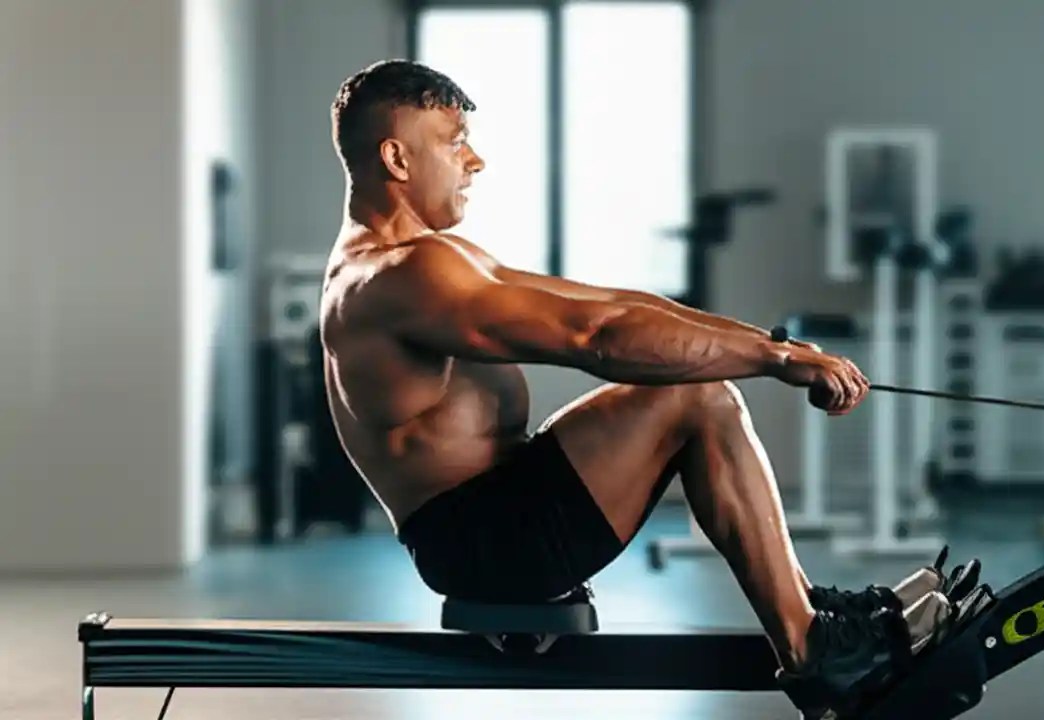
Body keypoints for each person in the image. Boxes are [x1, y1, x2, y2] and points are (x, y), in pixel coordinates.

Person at [321, 59, 924, 717]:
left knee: (704, 389)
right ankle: (812, 650)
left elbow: (614, 300)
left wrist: (774, 346)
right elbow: (597, 338)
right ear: (397, 158)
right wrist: (773, 360)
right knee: (700, 396)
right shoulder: (398, 275)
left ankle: (805, 611)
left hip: (497, 513)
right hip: (481, 542)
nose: (476, 161)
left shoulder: (437, 257)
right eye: (454, 139)